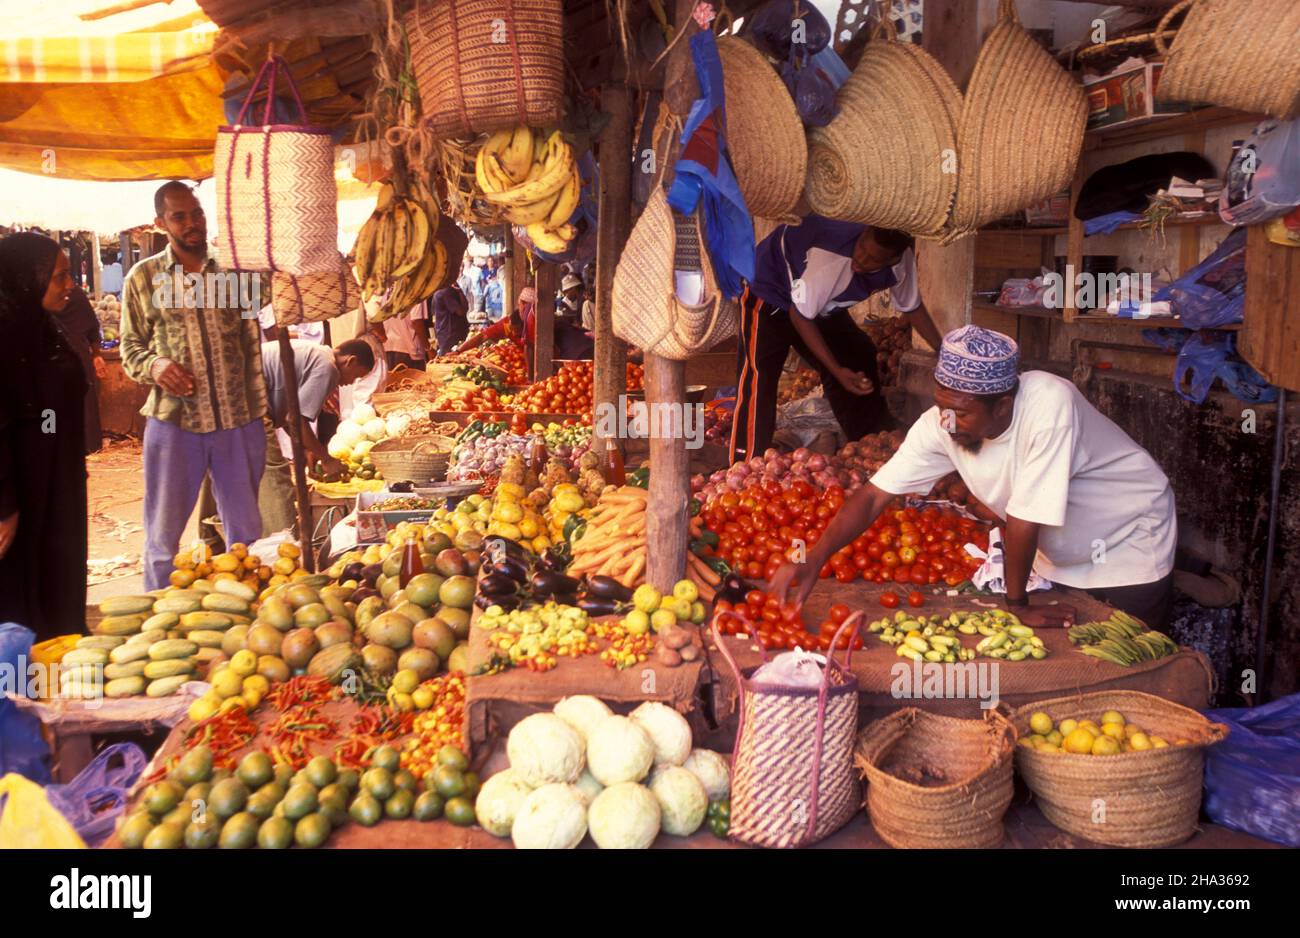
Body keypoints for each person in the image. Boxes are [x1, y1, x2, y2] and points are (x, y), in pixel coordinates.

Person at [772, 326, 1178, 630]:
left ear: (1003, 406)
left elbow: (1024, 518)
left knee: (1129, 654)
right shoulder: (942, 423)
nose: (947, 421)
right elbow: (874, 495)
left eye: (961, 412)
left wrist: (1016, 606)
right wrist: (811, 555)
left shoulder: (1049, 403)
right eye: (941, 405)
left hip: (1129, 542)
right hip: (1061, 559)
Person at [120, 180, 268, 590]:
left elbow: (279, 300)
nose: (192, 224)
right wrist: (155, 364)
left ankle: (248, 617)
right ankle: (156, 620)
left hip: (238, 420)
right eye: (179, 217)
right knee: (163, 539)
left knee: (246, 533)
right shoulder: (143, 278)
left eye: (197, 214)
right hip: (175, 424)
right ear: (160, 223)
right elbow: (130, 347)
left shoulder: (234, 272)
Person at [730, 218, 944, 463]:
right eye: (861, 249)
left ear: (892, 259)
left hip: (816, 301)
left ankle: (870, 444)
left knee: (857, 353)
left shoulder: (900, 263)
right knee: (759, 377)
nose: (860, 261)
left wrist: (942, 349)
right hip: (769, 292)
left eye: (873, 259)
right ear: (863, 233)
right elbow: (799, 317)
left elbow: (912, 307)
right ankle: (745, 463)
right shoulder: (833, 257)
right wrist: (836, 371)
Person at [0, 232, 89, 641]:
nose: (70, 286)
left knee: (60, 574)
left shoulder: (42, 330)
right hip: (20, 492)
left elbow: (50, 410)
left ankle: (62, 660)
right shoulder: (5, 339)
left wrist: (52, 439)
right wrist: (5, 504)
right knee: (23, 585)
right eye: (59, 277)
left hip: (56, 481)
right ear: (28, 279)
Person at [258, 338, 373, 535]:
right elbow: (296, 419)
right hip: (250, 405)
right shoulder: (328, 368)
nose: (349, 384)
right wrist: (326, 459)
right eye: (356, 377)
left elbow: (288, 416)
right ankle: (283, 541)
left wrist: (306, 449)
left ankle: (210, 538)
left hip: (240, 397)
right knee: (277, 477)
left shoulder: (318, 354)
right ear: (350, 361)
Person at [50, 285, 106, 454]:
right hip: (75, 353)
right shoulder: (73, 293)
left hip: (58, 354)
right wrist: (96, 354)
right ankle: (89, 443)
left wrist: (96, 355)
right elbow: (93, 326)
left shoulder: (42, 293)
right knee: (82, 400)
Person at [382, 301, 430, 371]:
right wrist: (428, 348)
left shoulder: (386, 291)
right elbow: (416, 321)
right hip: (410, 350)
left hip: (388, 348)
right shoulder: (417, 290)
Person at [431, 281, 470, 356]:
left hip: (443, 334)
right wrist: (460, 292)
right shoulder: (447, 292)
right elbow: (461, 311)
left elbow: (434, 318)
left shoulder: (437, 292)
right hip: (451, 335)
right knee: (451, 359)